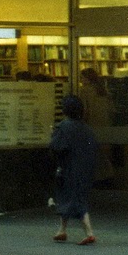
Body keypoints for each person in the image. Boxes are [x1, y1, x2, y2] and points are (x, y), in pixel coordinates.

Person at [50, 95, 97, 245]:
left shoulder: (63, 127)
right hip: (84, 169)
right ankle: (62, 230)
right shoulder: (87, 129)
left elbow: (56, 147)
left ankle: (89, 233)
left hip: (68, 168)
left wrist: (52, 135)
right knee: (71, 198)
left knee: (73, 200)